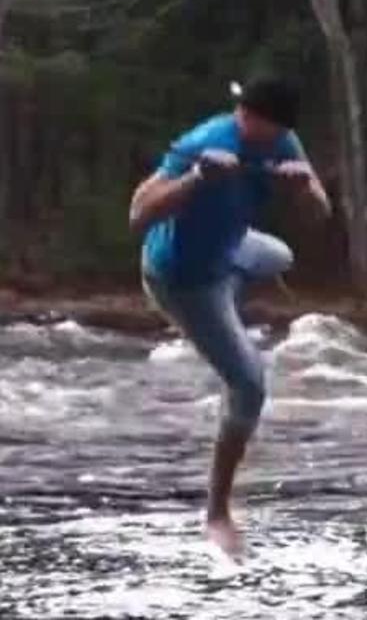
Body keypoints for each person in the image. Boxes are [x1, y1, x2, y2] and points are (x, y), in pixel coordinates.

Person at [128, 76, 331, 556]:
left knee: (280, 255)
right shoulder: (206, 143)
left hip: (231, 251)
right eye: (242, 113)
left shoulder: (284, 141)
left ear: (276, 126)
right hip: (183, 281)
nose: (244, 123)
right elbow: (137, 216)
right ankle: (217, 513)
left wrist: (302, 189)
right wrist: (196, 179)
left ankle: (233, 302)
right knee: (249, 384)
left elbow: (321, 212)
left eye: (255, 119)